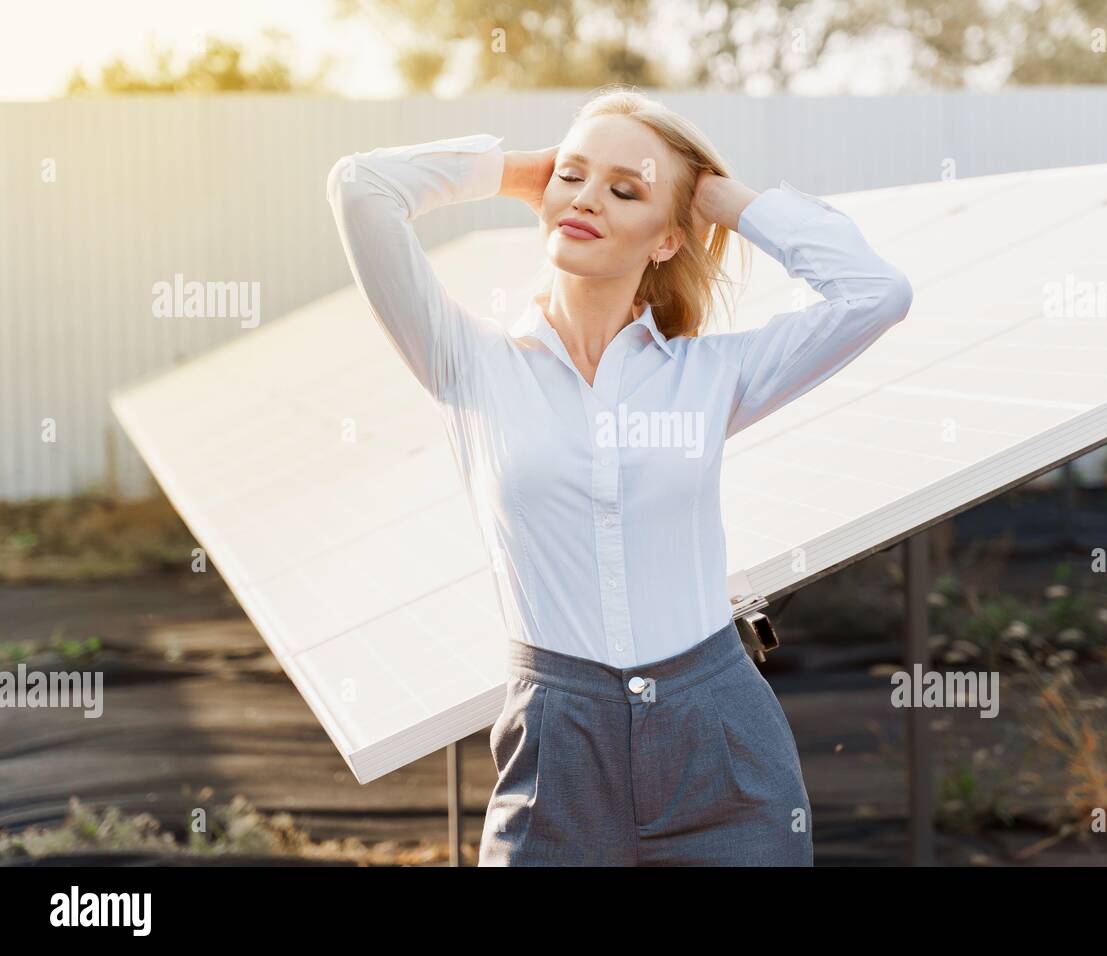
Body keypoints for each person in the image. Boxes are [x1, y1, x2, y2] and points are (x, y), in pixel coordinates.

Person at [325, 87, 913, 866]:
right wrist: (518, 171)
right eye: (573, 177)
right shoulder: (468, 363)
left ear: (668, 239)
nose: (587, 200)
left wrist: (718, 198)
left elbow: (877, 293)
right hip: (556, 755)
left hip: (721, 741)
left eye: (626, 190)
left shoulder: (710, 376)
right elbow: (360, 188)